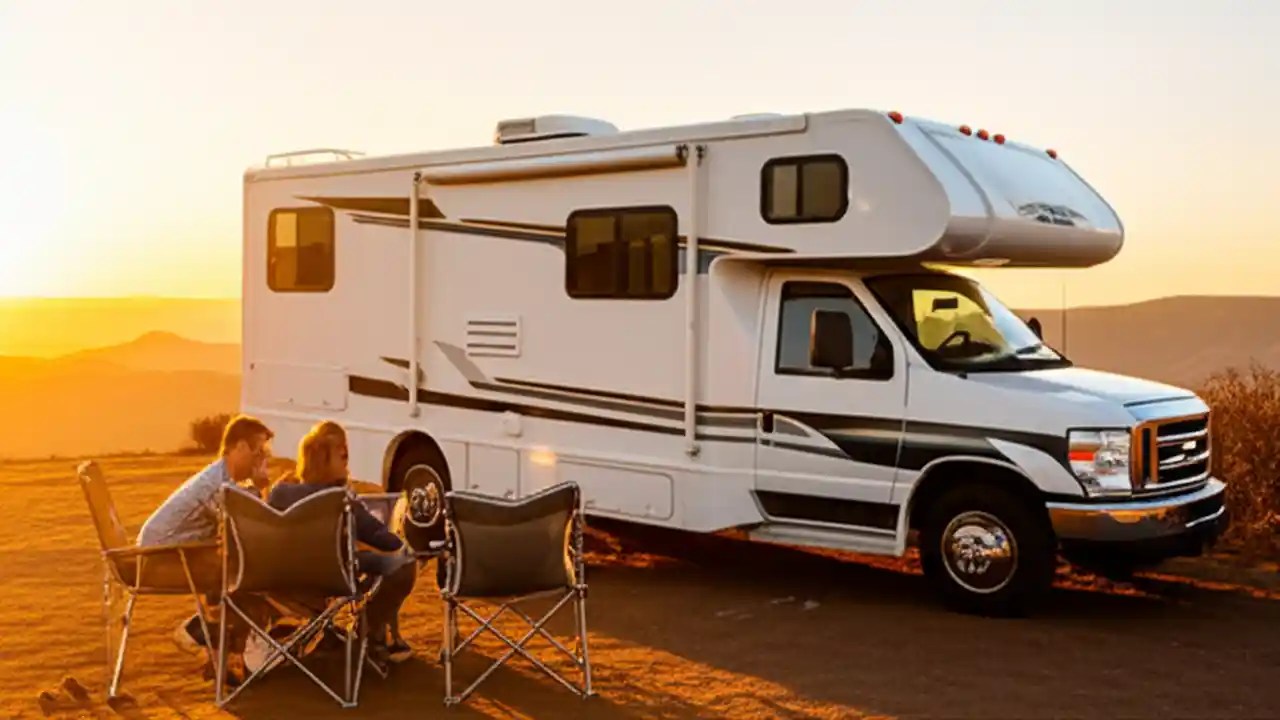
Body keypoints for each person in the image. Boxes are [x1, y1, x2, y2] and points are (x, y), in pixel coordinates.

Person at [135, 413, 275, 678]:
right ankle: (203, 634)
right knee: (244, 573)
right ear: (240, 447)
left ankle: (217, 651)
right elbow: (244, 523)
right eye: (258, 452)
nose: (260, 458)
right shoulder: (218, 484)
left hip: (172, 551)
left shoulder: (223, 479)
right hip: (159, 558)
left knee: (233, 567)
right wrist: (260, 487)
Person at [268, 421, 417, 665]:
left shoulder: (280, 493)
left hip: (285, 579)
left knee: (370, 560)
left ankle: (341, 633)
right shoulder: (340, 499)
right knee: (403, 562)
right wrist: (407, 546)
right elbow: (376, 534)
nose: (347, 460)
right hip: (333, 576)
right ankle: (368, 630)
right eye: (343, 455)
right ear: (325, 460)